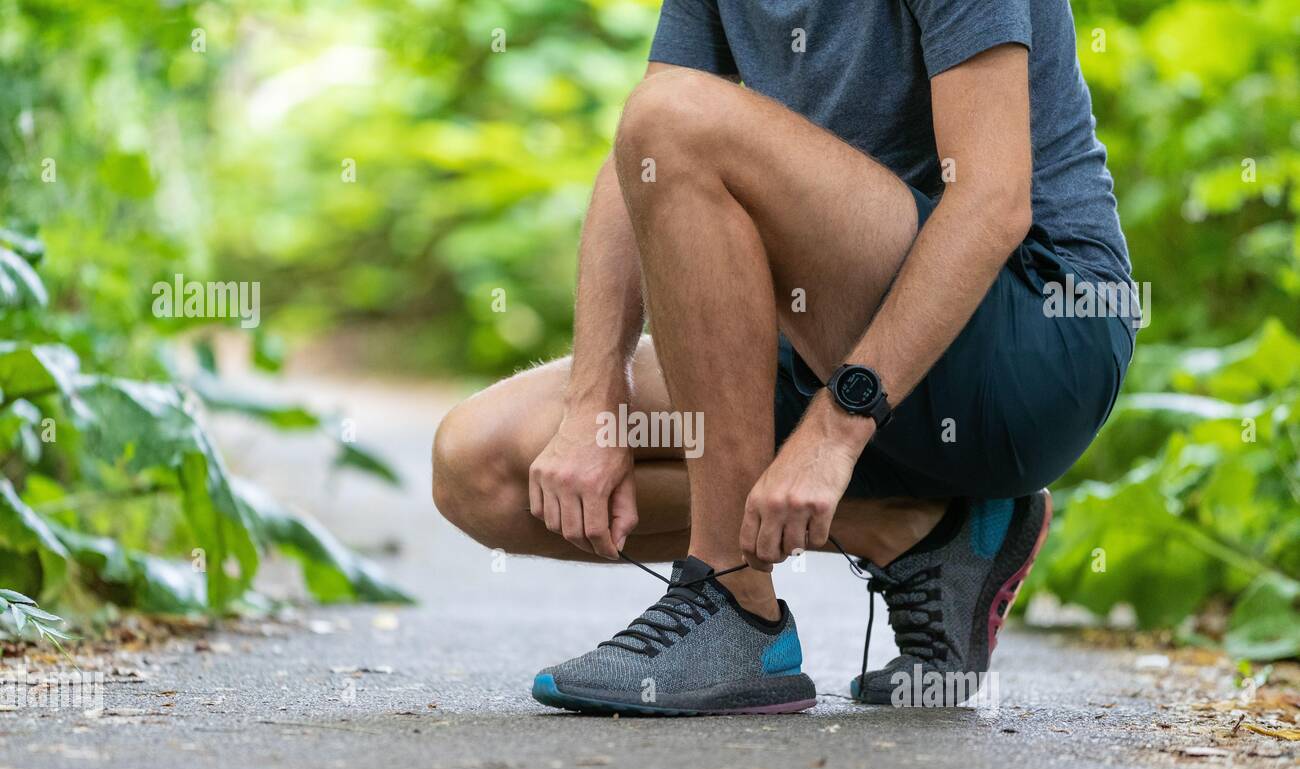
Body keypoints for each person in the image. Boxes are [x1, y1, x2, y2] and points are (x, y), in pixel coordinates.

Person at [432, 0, 1136, 714]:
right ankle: (920, 534)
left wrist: (835, 431)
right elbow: (637, 156)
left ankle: (732, 601)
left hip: (1030, 345)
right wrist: (593, 401)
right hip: (829, 343)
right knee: (481, 465)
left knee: (677, 115)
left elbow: (992, 203)